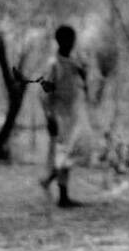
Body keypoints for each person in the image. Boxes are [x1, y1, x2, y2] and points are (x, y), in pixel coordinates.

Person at [39, 25, 91, 209]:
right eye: (67, 40)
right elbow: (44, 94)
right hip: (59, 114)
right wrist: (49, 117)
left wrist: (83, 75)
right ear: (60, 41)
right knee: (64, 153)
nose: (70, 44)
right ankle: (62, 196)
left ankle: (49, 179)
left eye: (72, 40)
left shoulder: (73, 62)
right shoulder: (53, 64)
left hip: (73, 113)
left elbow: (83, 84)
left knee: (76, 151)